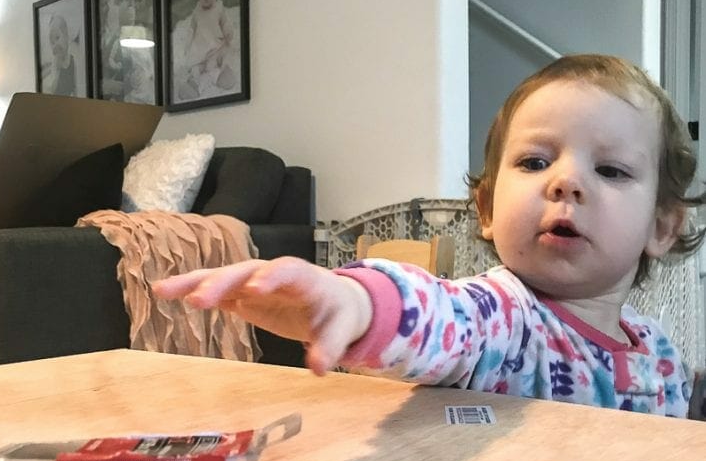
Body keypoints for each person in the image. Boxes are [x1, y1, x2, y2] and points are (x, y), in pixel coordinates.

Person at [153, 54, 706, 418]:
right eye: (536, 161)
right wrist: (354, 301)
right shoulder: (500, 319)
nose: (566, 182)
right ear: (486, 207)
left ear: (661, 226)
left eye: (610, 171)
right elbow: (435, 314)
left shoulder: (658, 352)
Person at [172, 0, 237, 101]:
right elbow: (192, 29)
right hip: (200, 51)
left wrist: (228, 31)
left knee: (214, 65)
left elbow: (226, 23)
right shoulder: (196, 10)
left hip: (215, 48)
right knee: (196, 69)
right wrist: (188, 45)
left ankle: (221, 76)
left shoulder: (219, 7)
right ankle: (192, 86)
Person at [43, 14, 77, 96]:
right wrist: (56, 70)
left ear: (66, 37)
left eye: (57, 37)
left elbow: (75, 87)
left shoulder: (73, 61)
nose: (55, 44)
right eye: (52, 42)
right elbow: (52, 90)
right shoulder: (54, 65)